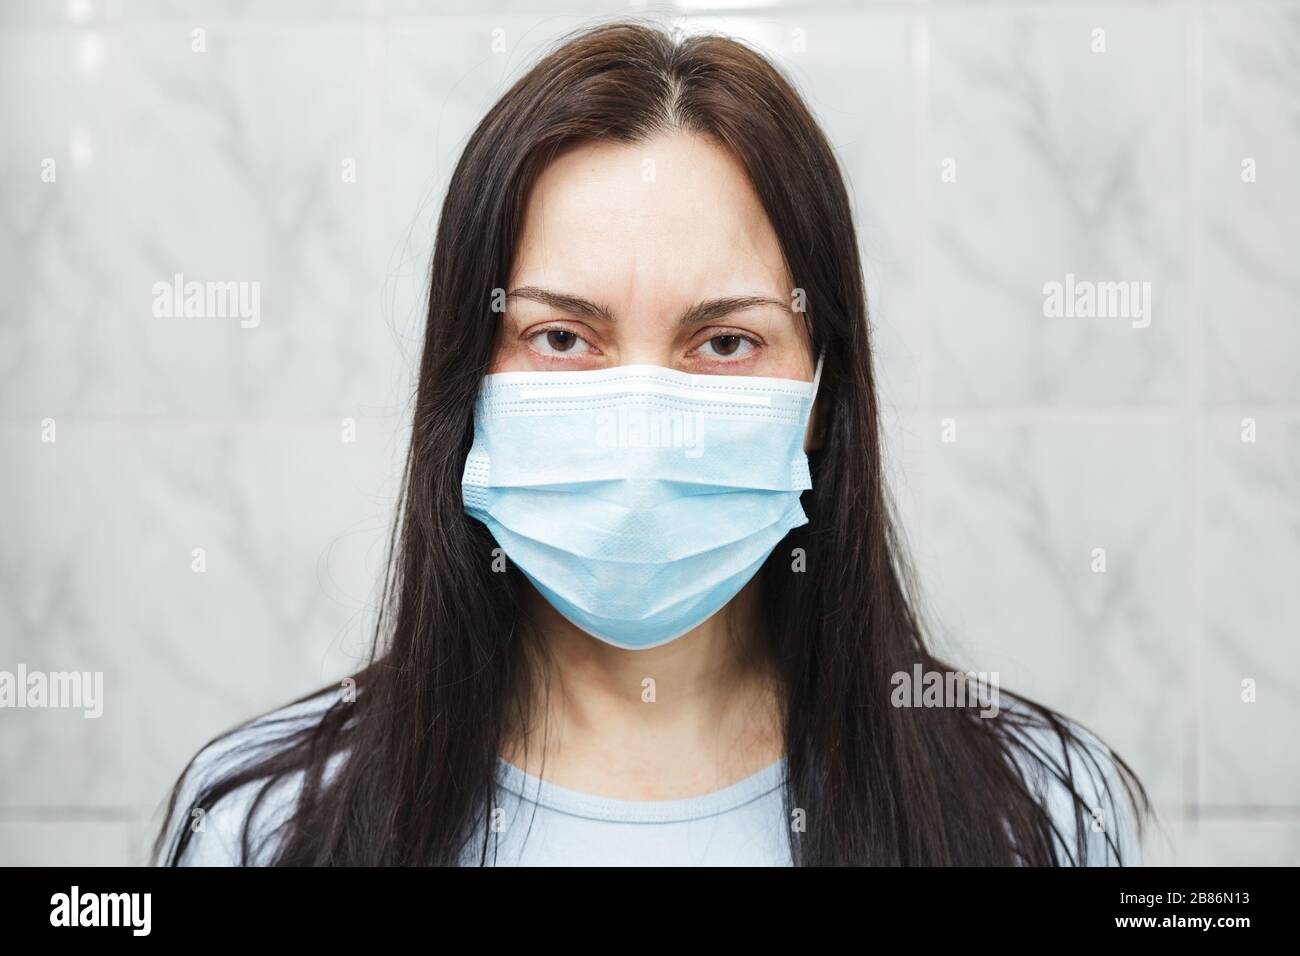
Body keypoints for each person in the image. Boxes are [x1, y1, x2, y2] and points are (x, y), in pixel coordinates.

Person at [155, 21, 1149, 867]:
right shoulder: (260, 826)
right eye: (560, 337)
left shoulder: (1042, 814)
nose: (640, 416)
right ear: (469, 382)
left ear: (818, 394)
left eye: (724, 341)